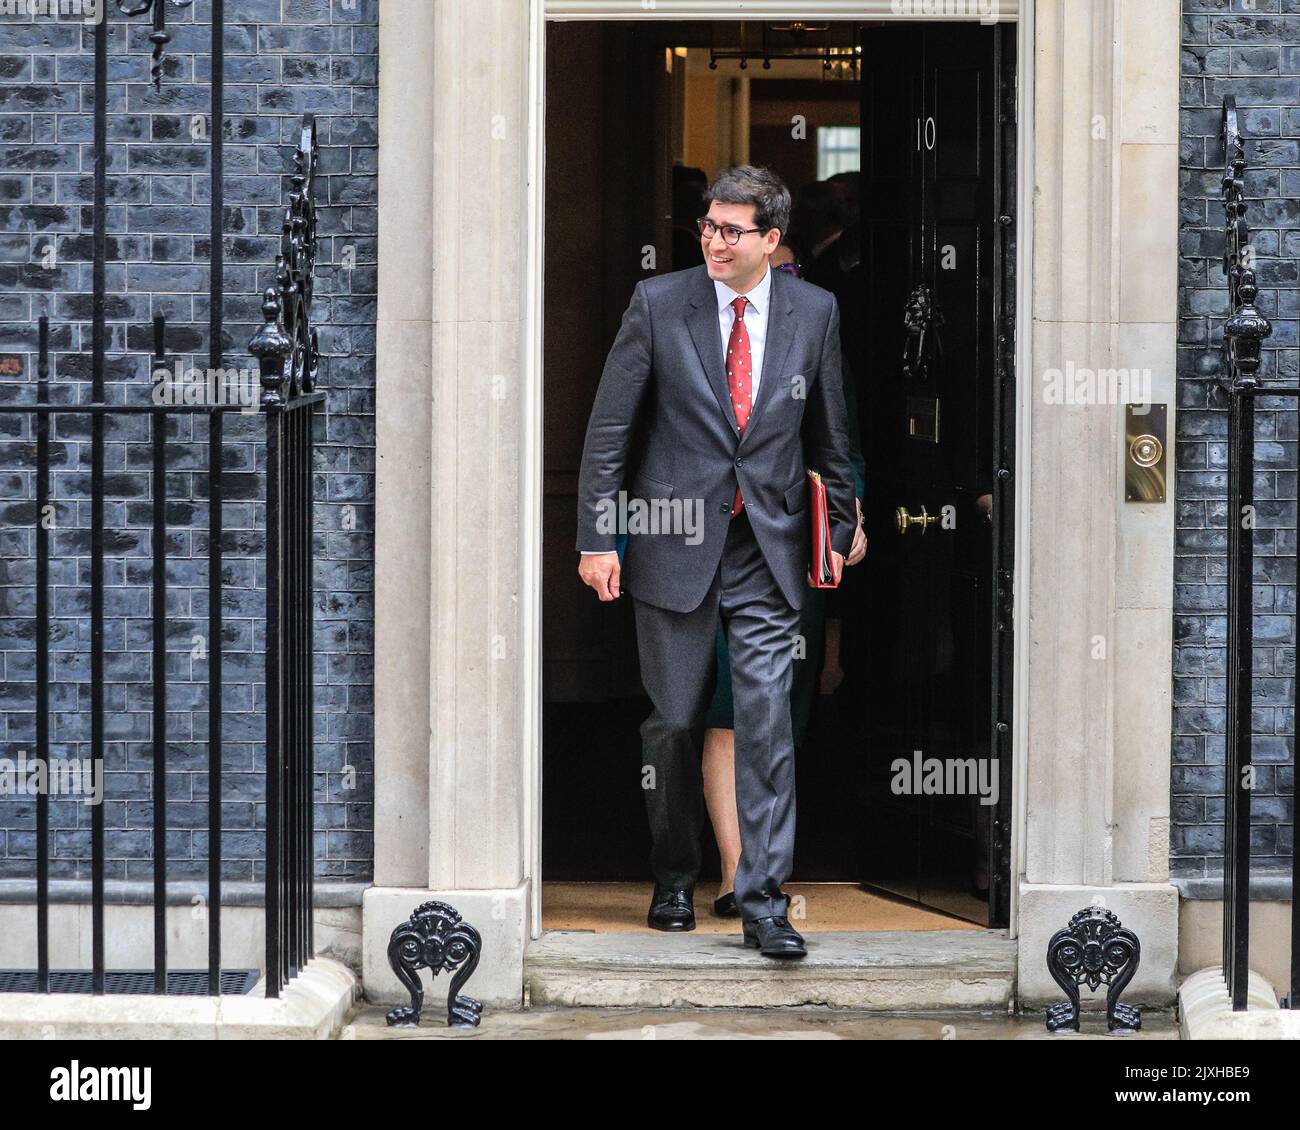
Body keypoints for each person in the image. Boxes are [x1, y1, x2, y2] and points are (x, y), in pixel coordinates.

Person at [576, 165, 857, 959]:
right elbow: (609, 434)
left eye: (732, 230)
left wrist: (837, 531)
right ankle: (673, 872)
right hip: (671, 544)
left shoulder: (816, 311)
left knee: (767, 722)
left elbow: (832, 439)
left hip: (768, 551)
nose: (714, 241)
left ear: (772, 239)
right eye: (707, 226)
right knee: (673, 720)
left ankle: (765, 902)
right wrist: (599, 539)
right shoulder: (660, 305)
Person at [701, 236, 869, 918]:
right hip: (704, 548)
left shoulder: (812, 338)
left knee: (774, 714)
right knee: (724, 713)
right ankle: (731, 874)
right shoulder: (692, 331)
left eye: (789, 272)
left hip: (789, 548)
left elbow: (840, 442)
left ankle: (762, 876)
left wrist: (850, 518)